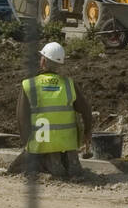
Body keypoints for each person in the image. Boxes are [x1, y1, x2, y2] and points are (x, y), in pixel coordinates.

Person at [13, 41, 94, 178]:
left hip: (41, 142)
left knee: (16, 168)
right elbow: (86, 111)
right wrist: (87, 133)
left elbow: (22, 119)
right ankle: (68, 160)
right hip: (67, 143)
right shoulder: (69, 84)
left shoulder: (29, 85)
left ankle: (46, 165)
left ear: (43, 61)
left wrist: (28, 144)